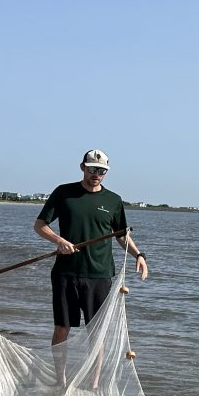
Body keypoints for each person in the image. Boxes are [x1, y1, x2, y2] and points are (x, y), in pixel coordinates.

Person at [34, 149, 149, 353]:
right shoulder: (63, 192)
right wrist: (59, 241)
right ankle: (60, 381)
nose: (96, 174)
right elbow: (40, 225)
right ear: (82, 168)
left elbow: (121, 235)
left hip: (99, 275)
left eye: (102, 171)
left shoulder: (113, 200)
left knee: (96, 332)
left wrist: (139, 255)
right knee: (62, 327)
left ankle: (94, 385)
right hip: (65, 273)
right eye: (92, 169)